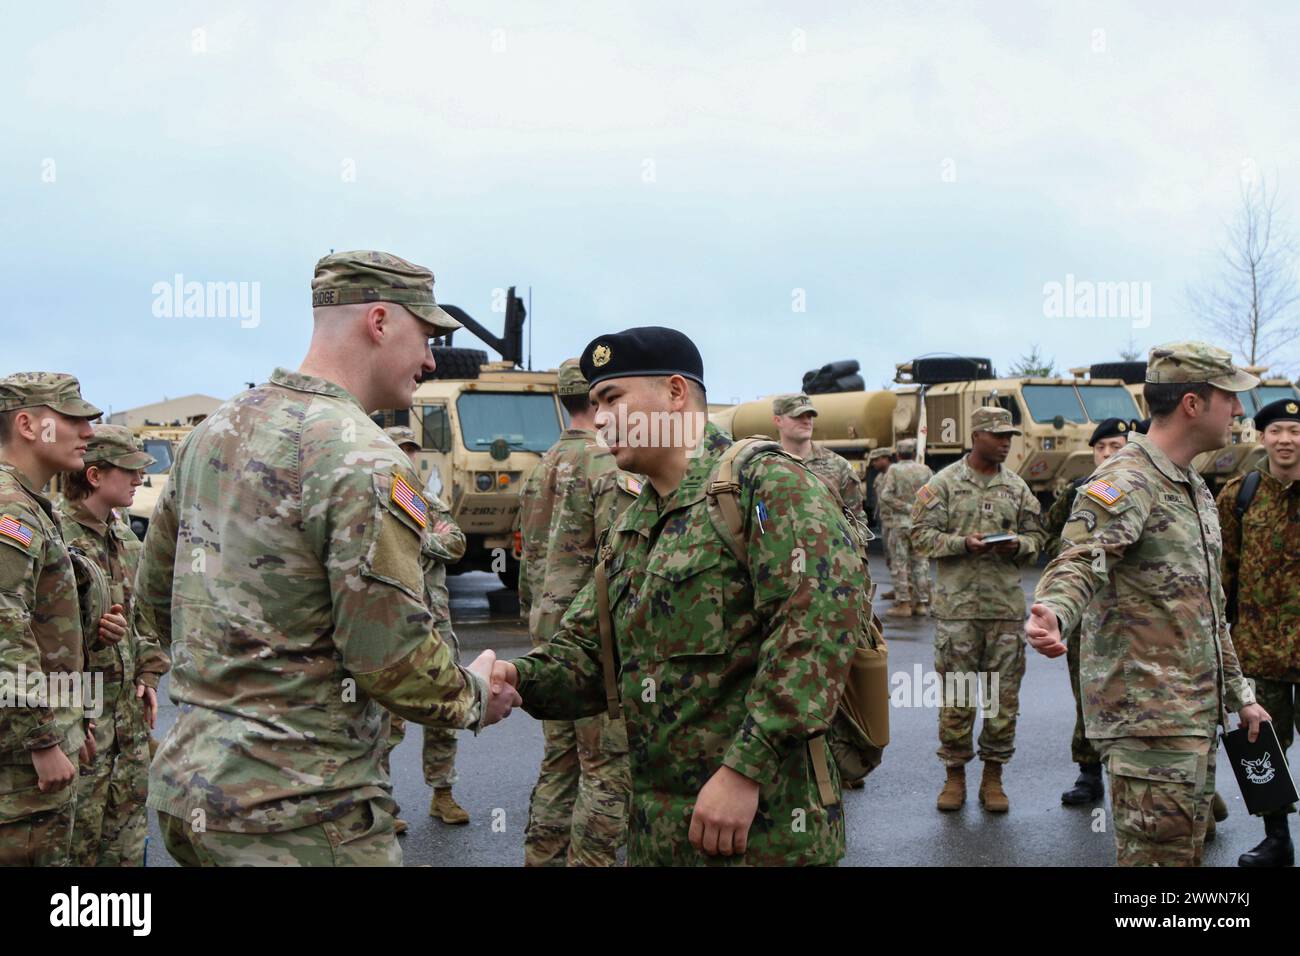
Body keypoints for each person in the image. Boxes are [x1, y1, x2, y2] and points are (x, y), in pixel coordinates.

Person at [134, 250, 520, 866]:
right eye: (426, 336)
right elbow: (391, 660)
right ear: (379, 322)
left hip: (193, 794)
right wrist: (475, 694)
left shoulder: (215, 430)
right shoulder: (363, 458)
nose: (429, 359)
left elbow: (154, 602)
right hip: (302, 816)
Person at [494, 327, 865, 866]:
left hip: (765, 833)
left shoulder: (765, 485)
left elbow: (817, 635)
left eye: (611, 398)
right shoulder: (633, 524)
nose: (598, 418)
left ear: (674, 393)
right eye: (594, 402)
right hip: (659, 835)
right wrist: (513, 680)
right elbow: (588, 657)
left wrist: (745, 769)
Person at [1028, 342, 1270, 867]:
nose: (1239, 411)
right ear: (1192, 403)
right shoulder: (1126, 478)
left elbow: (1207, 609)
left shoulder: (1192, 487)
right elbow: (1082, 558)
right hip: (1148, 721)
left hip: (1191, 717)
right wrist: (1054, 610)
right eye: (1230, 398)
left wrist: (1241, 696)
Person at [516, 359, 639, 866]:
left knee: (561, 761)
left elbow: (528, 562)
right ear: (598, 399)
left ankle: (541, 858)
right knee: (606, 769)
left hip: (548, 630)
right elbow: (622, 561)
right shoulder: (609, 466)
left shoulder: (542, 466)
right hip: (593, 640)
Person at [911, 406, 1043, 813]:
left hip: (1004, 611)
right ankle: (954, 776)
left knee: (1003, 702)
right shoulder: (944, 484)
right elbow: (919, 536)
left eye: (1009, 437)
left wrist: (1017, 545)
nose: (1005, 444)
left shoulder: (1017, 488)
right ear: (977, 436)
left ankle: (993, 777)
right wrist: (960, 544)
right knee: (958, 699)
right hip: (958, 614)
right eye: (998, 436)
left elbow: (1039, 538)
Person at [56, 425, 170, 865]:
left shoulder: (125, 540)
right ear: (95, 475)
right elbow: (31, 639)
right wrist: (91, 634)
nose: (140, 480)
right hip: (82, 725)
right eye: (130, 471)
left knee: (126, 845)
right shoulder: (57, 539)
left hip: (127, 725)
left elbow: (145, 620)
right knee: (75, 847)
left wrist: (148, 673)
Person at [0, 373, 101, 866]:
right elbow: (4, 629)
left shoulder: (33, 507)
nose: (88, 431)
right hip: (18, 759)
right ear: (26, 424)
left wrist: (74, 719)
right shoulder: (8, 508)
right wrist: (41, 738)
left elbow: (47, 630)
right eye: (73, 418)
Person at [1218, 397, 1300, 867]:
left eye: (1294, 431)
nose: (1285, 440)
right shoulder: (1240, 494)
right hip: (1257, 646)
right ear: (1261, 436)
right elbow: (1223, 571)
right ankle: (1276, 839)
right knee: (1261, 748)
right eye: (1276, 431)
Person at [378, 425, 470, 832]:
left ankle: (442, 793)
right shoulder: (378, 499)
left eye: (412, 451)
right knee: (384, 721)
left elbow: (457, 544)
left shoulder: (428, 502)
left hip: (436, 625)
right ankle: (381, 804)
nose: (408, 458)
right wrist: (424, 538)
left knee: (445, 710)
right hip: (391, 625)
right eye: (401, 450)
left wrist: (420, 540)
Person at [1039, 417, 1130, 807]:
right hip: (1085, 615)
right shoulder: (1078, 492)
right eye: (1101, 447)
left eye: (1116, 446)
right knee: (1086, 694)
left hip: (1131, 618)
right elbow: (1049, 537)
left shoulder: (1142, 490)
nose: (1107, 454)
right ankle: (1089, 774)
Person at [770, 393, 865, 518]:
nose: (806, 421)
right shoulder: (766, 464)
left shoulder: (839, 466)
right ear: (778, 421)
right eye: (798, 416)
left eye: (809, 416)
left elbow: (857, 520)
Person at [875, 437, 933, 618]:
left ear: (898, 454)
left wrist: (905, 507)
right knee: (921, 564)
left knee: (900, 563)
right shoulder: (924, 470)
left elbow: (886, 495)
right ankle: (922, 603)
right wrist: (919, 509)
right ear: (914, 453)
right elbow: (931, 495)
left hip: (899, 524)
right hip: (919, 524)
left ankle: (904, 603)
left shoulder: (894, 470)